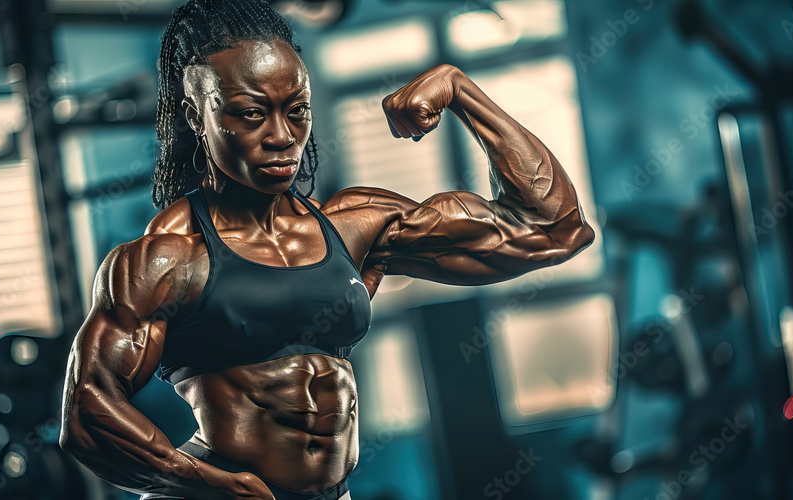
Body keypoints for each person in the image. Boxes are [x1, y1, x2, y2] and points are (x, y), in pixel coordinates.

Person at [58, 1, 595, 499]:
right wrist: (207, 485)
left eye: (297, 110)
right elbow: (86, 414)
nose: (281, 136)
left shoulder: (354, 226)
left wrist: (460, 89)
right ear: (197, 116)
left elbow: (553, 229)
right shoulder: (167, 258)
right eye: (251, 114)